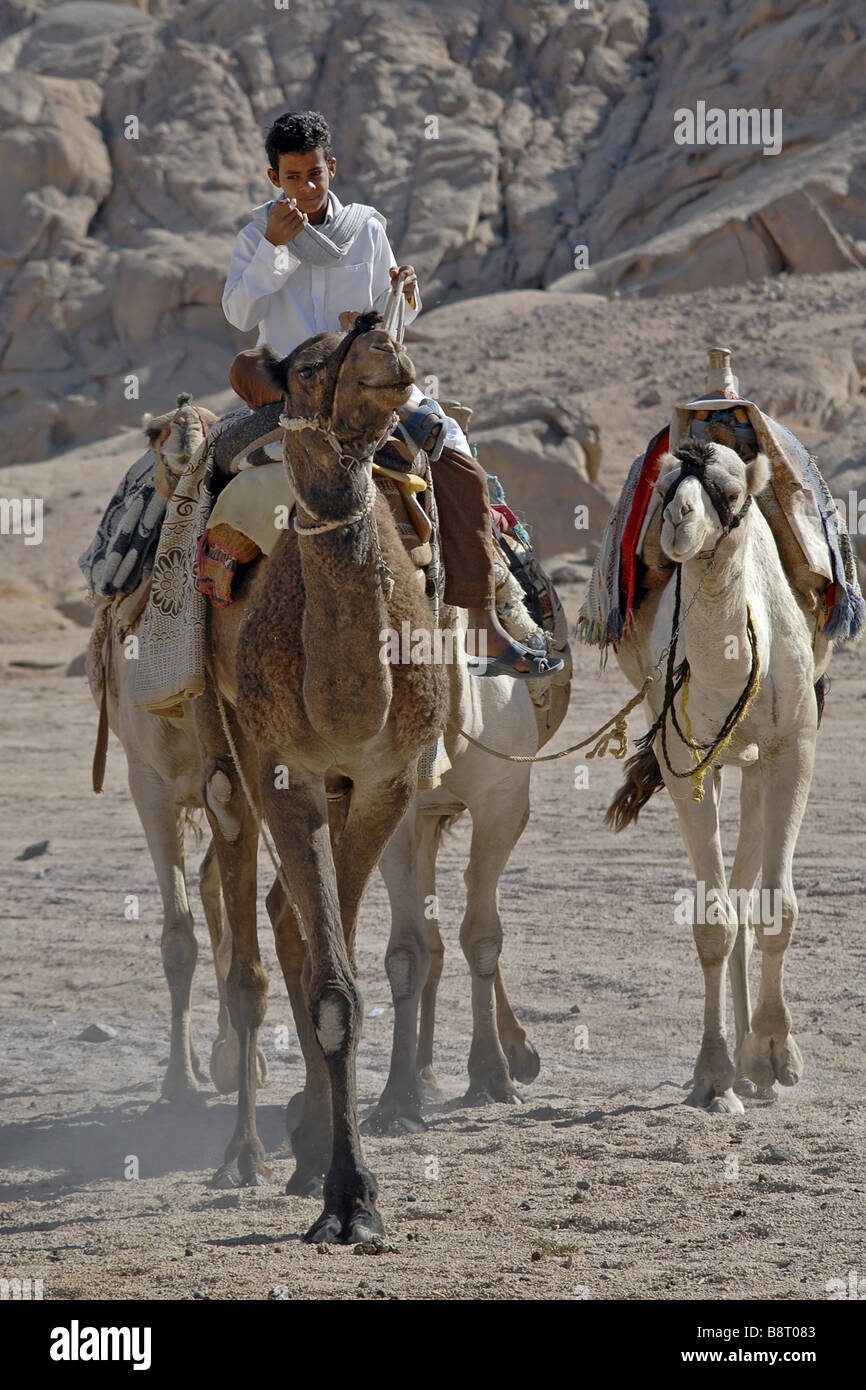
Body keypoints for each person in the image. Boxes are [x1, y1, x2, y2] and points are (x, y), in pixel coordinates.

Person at [221, 109, 562, 680]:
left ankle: (481, 620)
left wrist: (405, 295)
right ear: (272, 178)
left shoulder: (366, 229)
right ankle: (186, 628)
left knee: (456, 458)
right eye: (292, 177)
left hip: (366, 387)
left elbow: (385, 321)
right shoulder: (257, 237)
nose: (305, 188)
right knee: (203, 471)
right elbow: (238, 313)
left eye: (314, 174)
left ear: (331, 167)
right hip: (298, 396)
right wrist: (275, 252)